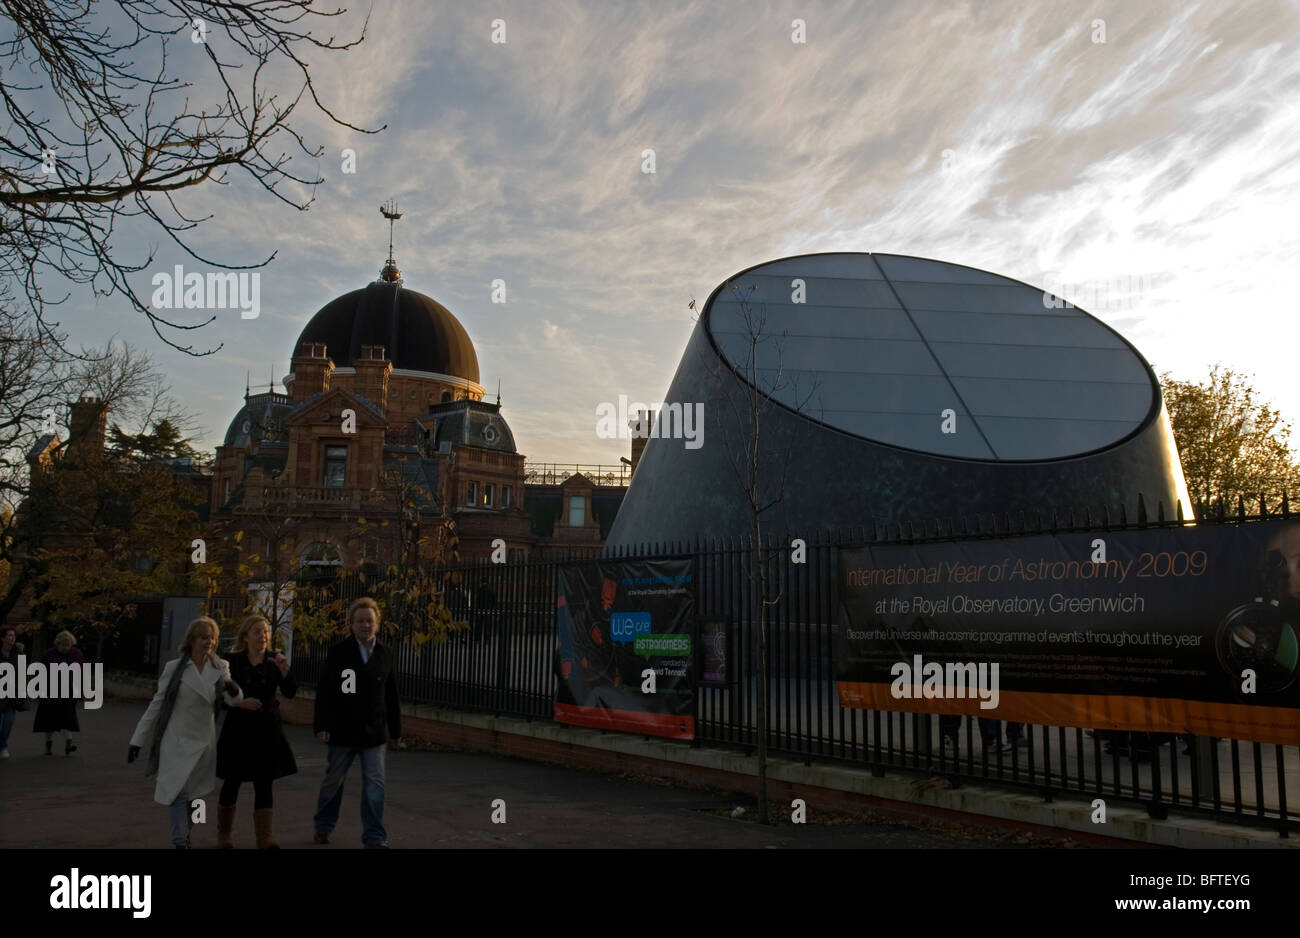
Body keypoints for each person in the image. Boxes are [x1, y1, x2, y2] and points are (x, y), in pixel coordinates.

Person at [128, 617, 243, 848]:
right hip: (177, 741)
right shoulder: (174, 669)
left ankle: (187, 832)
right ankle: (180, 841)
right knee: (178, 793)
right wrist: (137, 740)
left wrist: (233, 689)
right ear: (192, 640)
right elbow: (157, 705)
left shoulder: (220, 667)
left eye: (212, 638)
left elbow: (233, 701)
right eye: (203, 637)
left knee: (194, 798)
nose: (208, 642)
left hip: (203, 743)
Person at [313, 597, 401, 848]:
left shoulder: (386, 653)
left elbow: (392, 695)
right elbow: (325, 691)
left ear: (377, 624)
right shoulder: (339, 652)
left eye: (369, 621)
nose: (365, 625)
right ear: (351, 624)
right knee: (334, 781)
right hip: (343, 730)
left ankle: (374, 837)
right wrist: (322, 725)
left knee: (375, 786)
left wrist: (395, 731)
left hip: (375, 731)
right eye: (360, 621)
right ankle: (323, 826)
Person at [215, 615, 297, 848]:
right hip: (238, 730)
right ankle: (225, 835)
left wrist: (284, 672)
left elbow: (290, 692)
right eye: (257, 632)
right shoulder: (231, 661)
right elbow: (220, 697)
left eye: (266, 632)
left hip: (266, 730)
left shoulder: (274, 660)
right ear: (245, 636)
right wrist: (240, 703)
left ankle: (265, 838)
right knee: (232, 782)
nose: (263, 636)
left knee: (264, 782)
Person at [33, 630, 84, 755]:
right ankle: (48, 744)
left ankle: (69, 743)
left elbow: (81, 673)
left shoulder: (77, 654)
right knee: (50, 720)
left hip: (69, 691)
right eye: (63, 645)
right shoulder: (48, 654)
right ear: (57, 644)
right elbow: (41, 672)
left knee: (68, 718)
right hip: (50, 691)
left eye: (68, 645)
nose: (65, 648)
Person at [0, 626, 25, 759]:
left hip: (11, 692)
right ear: (3, 638)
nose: (12, 637)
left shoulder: (18, 653)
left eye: (13, 635)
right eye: (9, 635)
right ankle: (2, 746)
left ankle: (3, 745)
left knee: (8, 721)